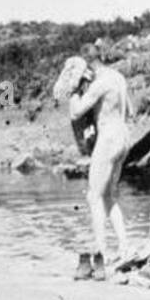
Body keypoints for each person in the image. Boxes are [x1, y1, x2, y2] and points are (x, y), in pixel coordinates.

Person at [55, 54, 133, 281]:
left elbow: (75, 112)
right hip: (124, 136)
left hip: (108, 137)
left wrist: (74, 90)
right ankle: (124, 247)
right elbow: (130, 110)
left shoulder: (99, 82)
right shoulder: (118, 76)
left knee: (93, 197)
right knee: (110, 196)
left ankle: (102, 253)